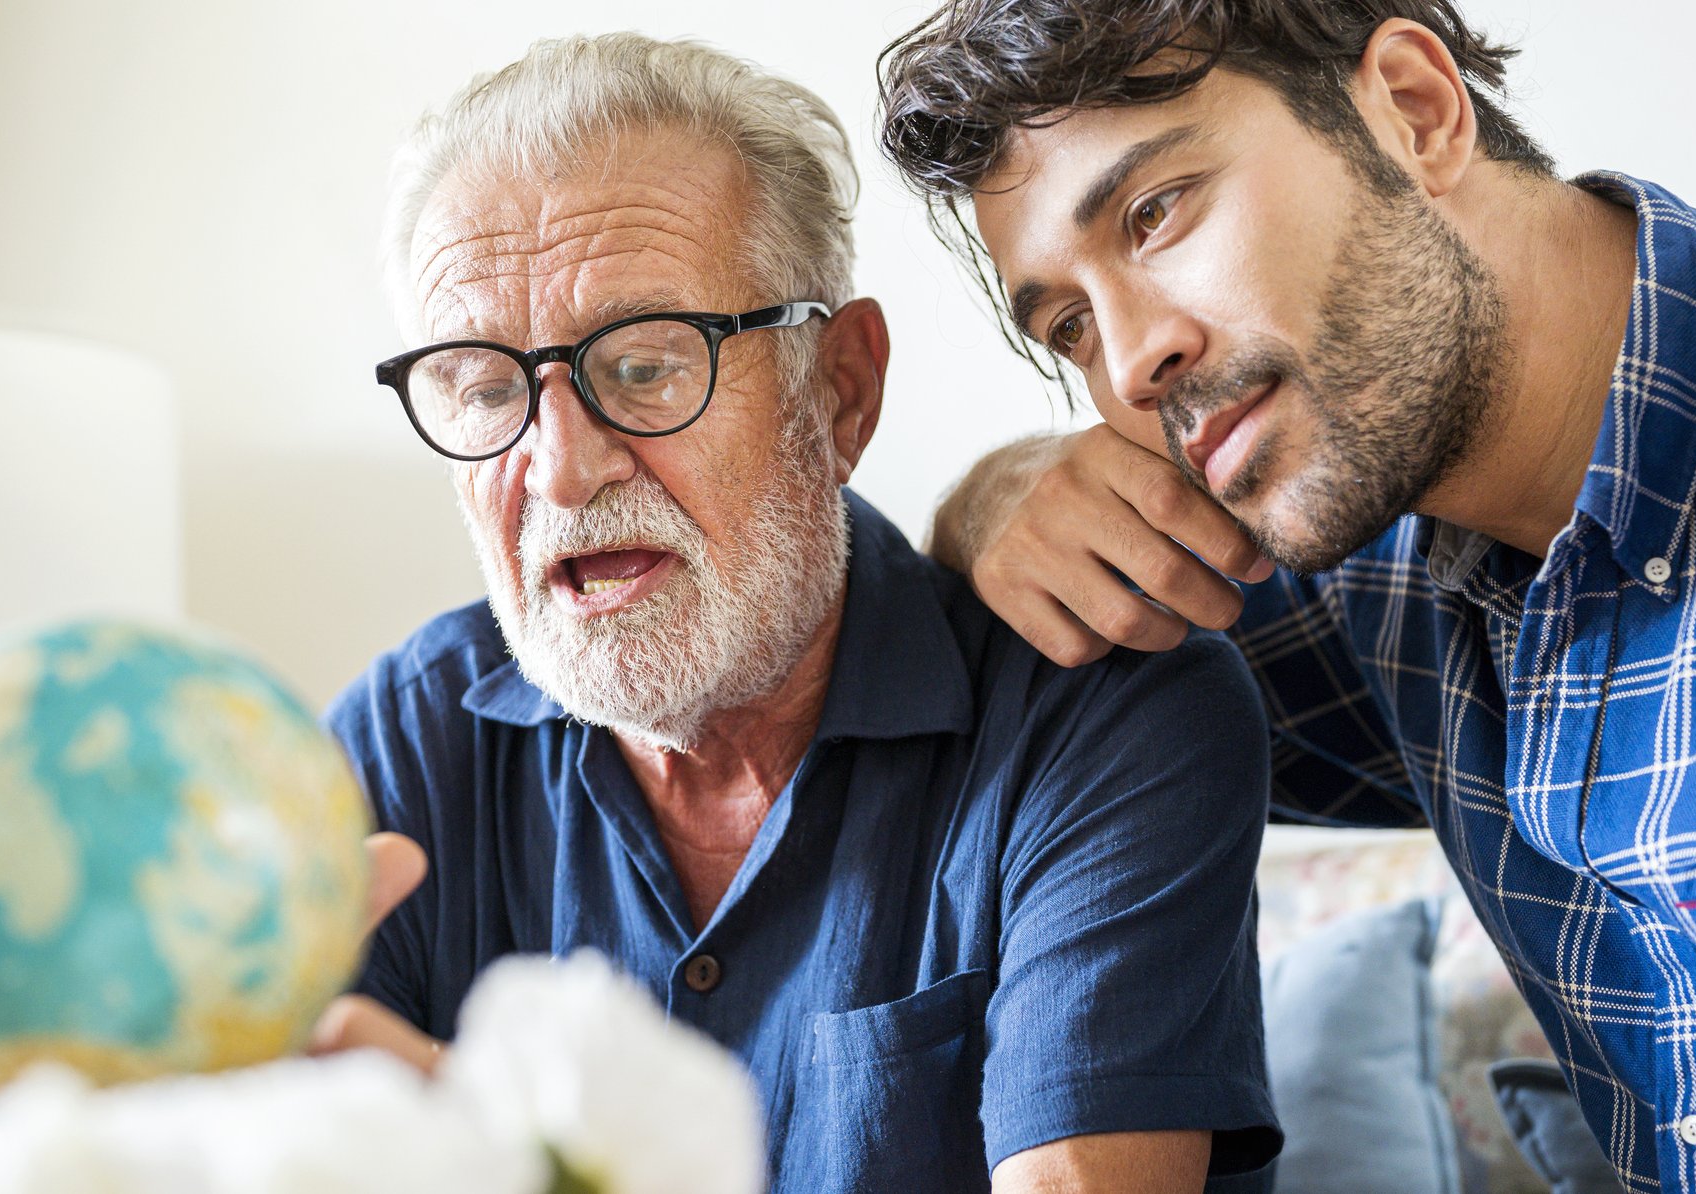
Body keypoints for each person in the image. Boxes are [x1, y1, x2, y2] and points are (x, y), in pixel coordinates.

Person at [876, 2, 1696, 1191]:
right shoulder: (1372, 584)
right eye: (1070, 326)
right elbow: (1046, 709)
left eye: (1155, 212)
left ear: (1414, 111)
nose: (1132, 363)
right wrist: (988, 500)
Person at [312, 32, 1282, 1194]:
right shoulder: (401, 747)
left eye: (646, 366)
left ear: (839, 391)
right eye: (483, 389)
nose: (561, 470)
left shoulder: (1100, 712)